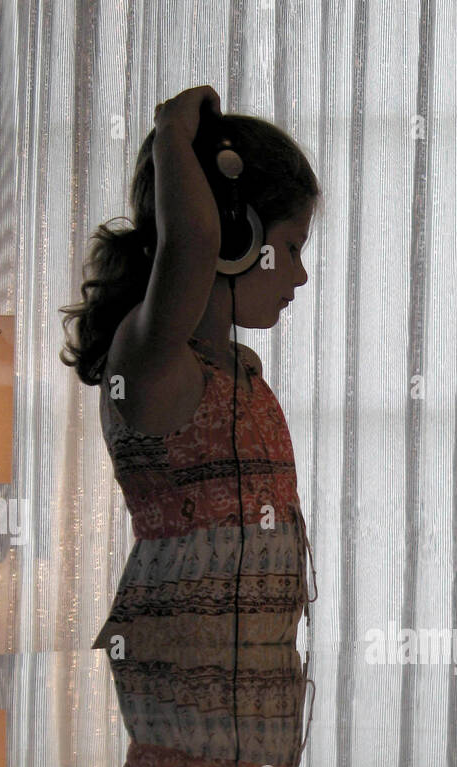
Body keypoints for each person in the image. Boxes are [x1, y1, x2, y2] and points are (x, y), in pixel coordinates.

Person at [59, 85, 319, 658]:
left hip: (256, 677)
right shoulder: (150, 358)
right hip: (175, 681)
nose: (300, 275)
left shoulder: (239, 369)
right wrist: (172, 133)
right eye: (292, 247)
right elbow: (190, 244)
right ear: (237, 237)